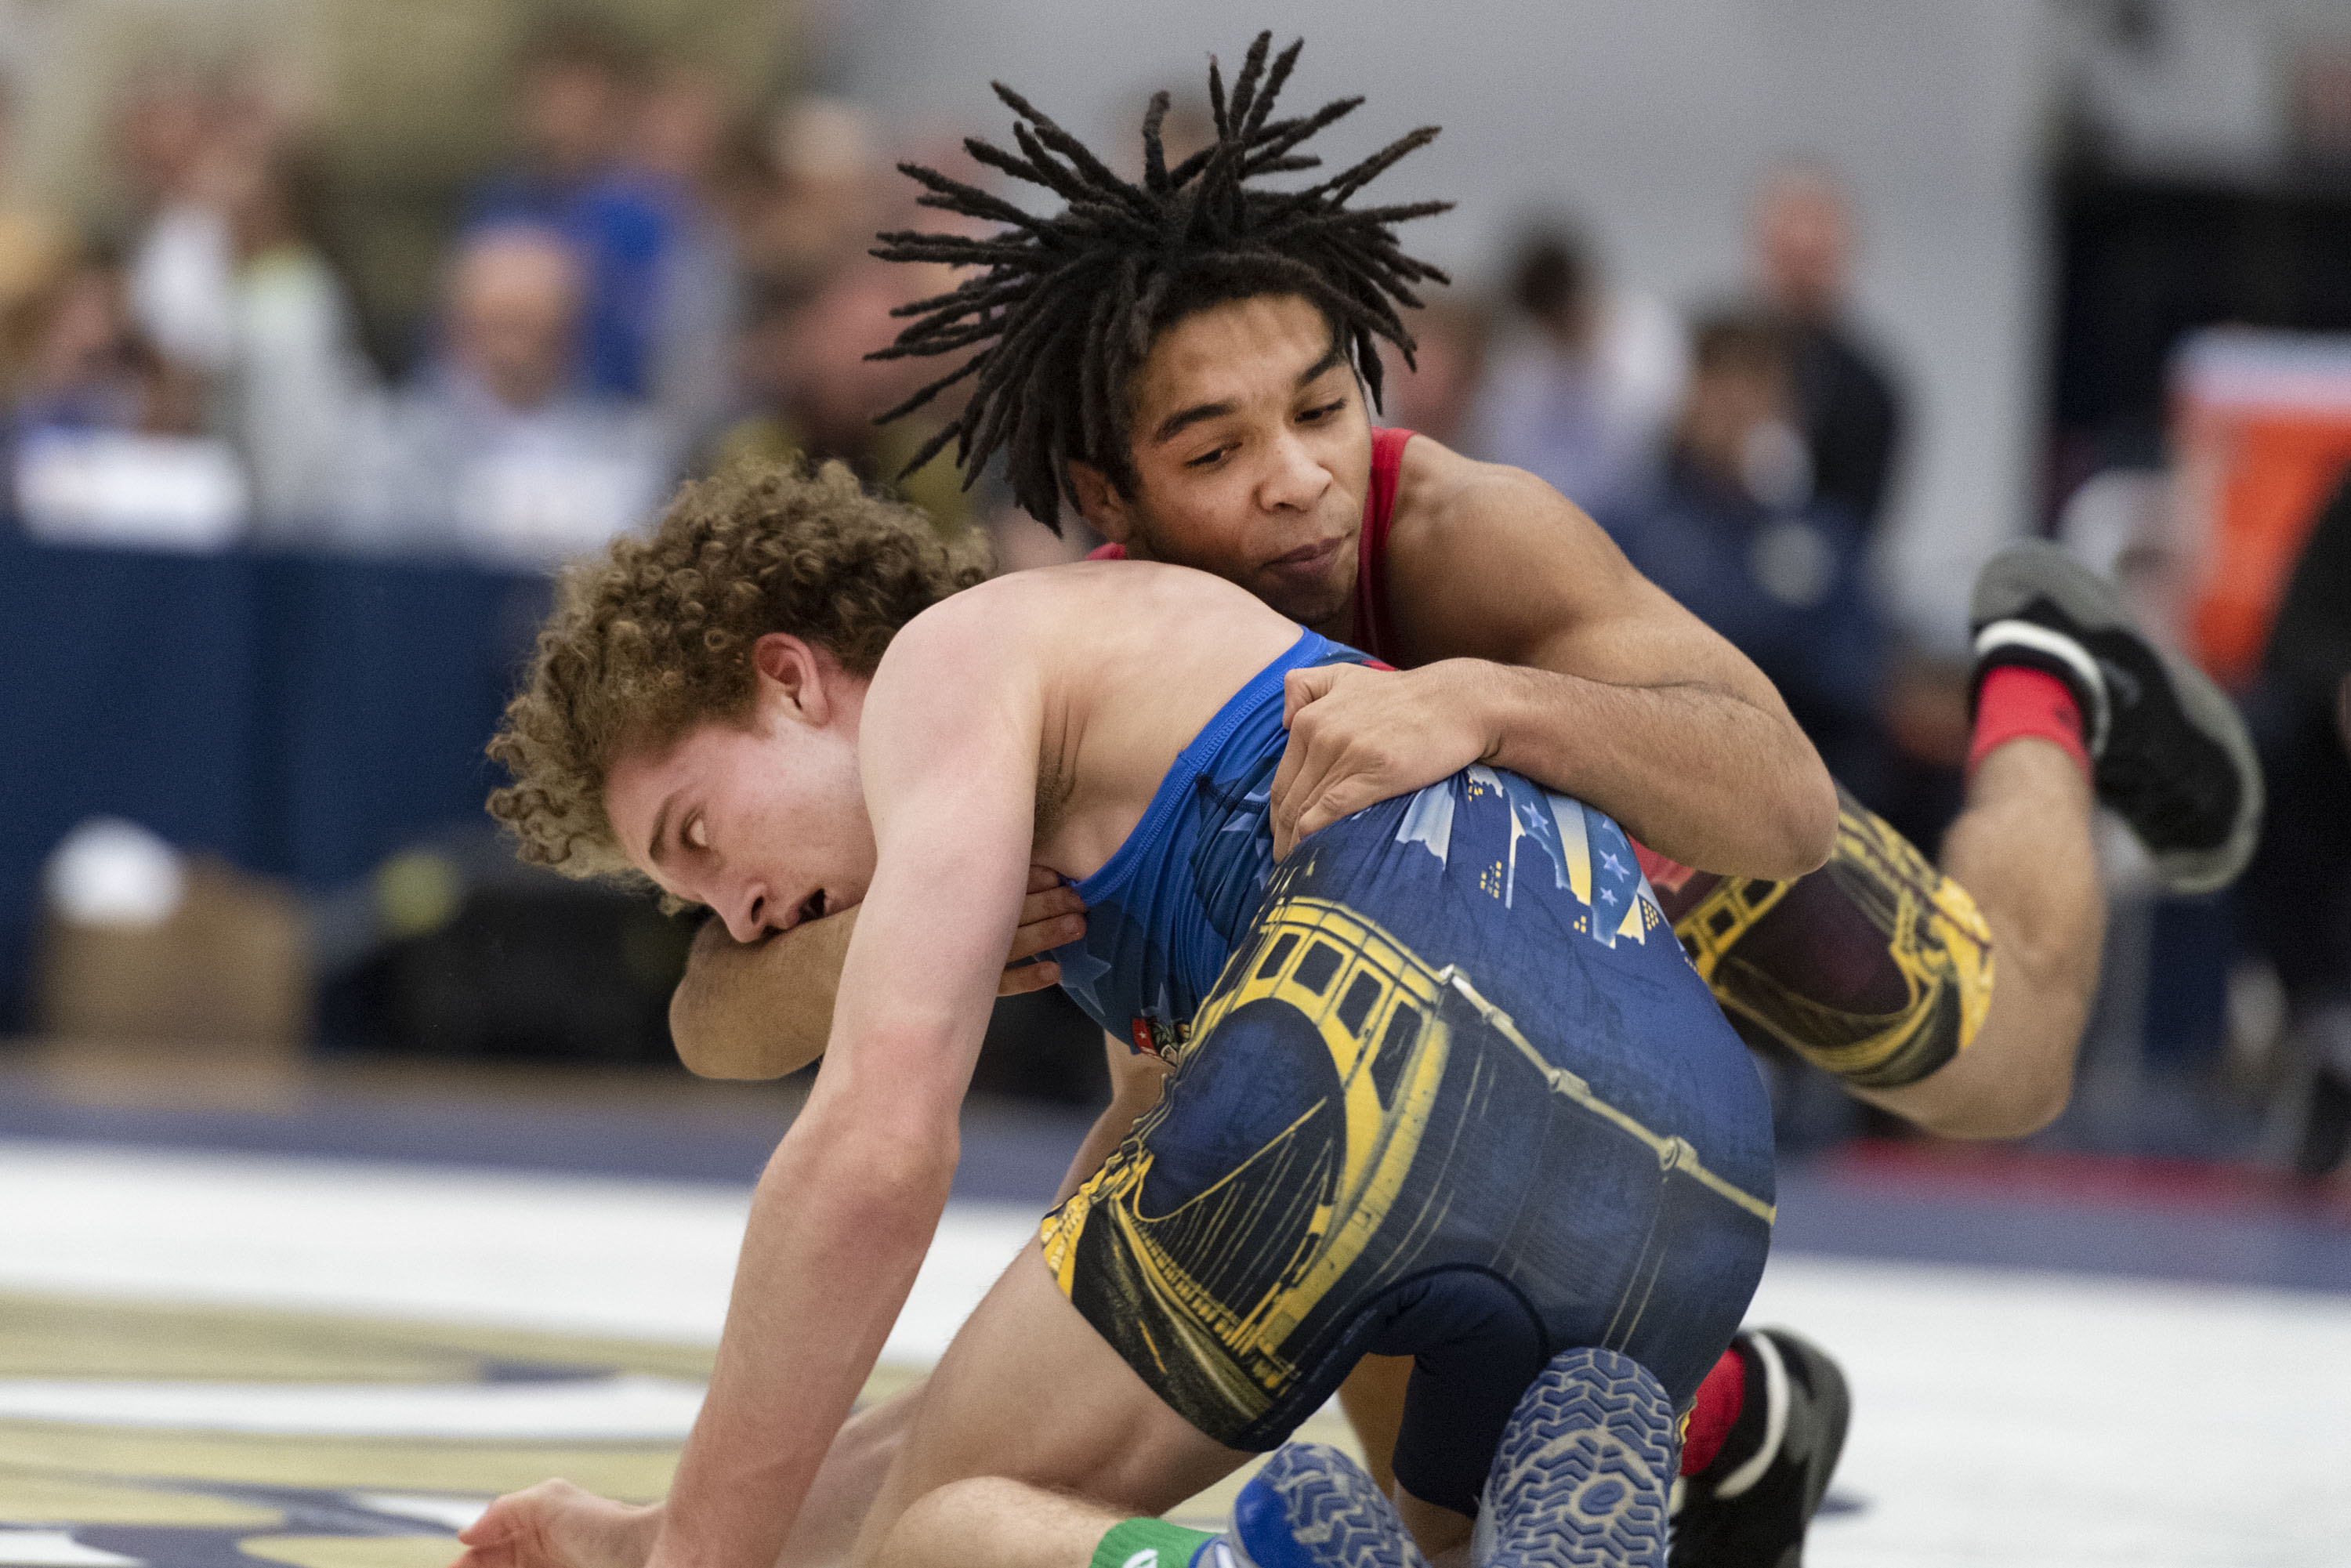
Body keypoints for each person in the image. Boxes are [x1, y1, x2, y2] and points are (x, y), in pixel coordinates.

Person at [639, 34, 2255, 1568]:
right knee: (1367, 1250)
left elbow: (1779, 801)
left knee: (2002, 1058)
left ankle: (2047, 674)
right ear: (1106, 496)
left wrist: (1486, 702)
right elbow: (754, 1022)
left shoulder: (1460, 530)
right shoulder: (1095, 658)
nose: (1297, 477)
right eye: (1217, 452)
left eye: (1321, 409)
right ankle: (1714, 1423)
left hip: (1649, 826)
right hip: (1406, 996)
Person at [1602, 310, 1889, 798]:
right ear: (1686, 395)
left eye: (1754, 382)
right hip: (1658, 777)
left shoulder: (1825, 538)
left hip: (1804, 785)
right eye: (1718, 378)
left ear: (1786, 409)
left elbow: (1856, 677)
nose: (1734, 403)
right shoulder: (1627, 530)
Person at [336, 224, 671, 567]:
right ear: (455, 328)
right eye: (498, 323)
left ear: (571, 332)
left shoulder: (631, 445)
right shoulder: (391, 439)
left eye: (532, 324)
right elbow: (371, 555)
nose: (513, 350)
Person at [1749, 165, 1904, 535]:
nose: (1801, 276)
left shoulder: (1869, 393)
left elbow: (1857, 528)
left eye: (1814, 259)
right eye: (1789, 256)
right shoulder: (1714, 370)